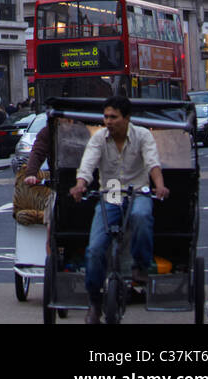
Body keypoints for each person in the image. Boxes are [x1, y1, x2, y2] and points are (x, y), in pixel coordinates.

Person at [69, 95, 169, 325]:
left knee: (141, 216)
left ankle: (140, 267)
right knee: (94, 249)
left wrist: (160, 185)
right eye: (105, 117)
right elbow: (87, 165)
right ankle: (94, 303)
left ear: (126, 118)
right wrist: (80, 184)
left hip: (138, 188)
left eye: (113, 117)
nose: (108, 121)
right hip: (111, 192)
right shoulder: (99, 139)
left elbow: (153, 163)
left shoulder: (142, 135)